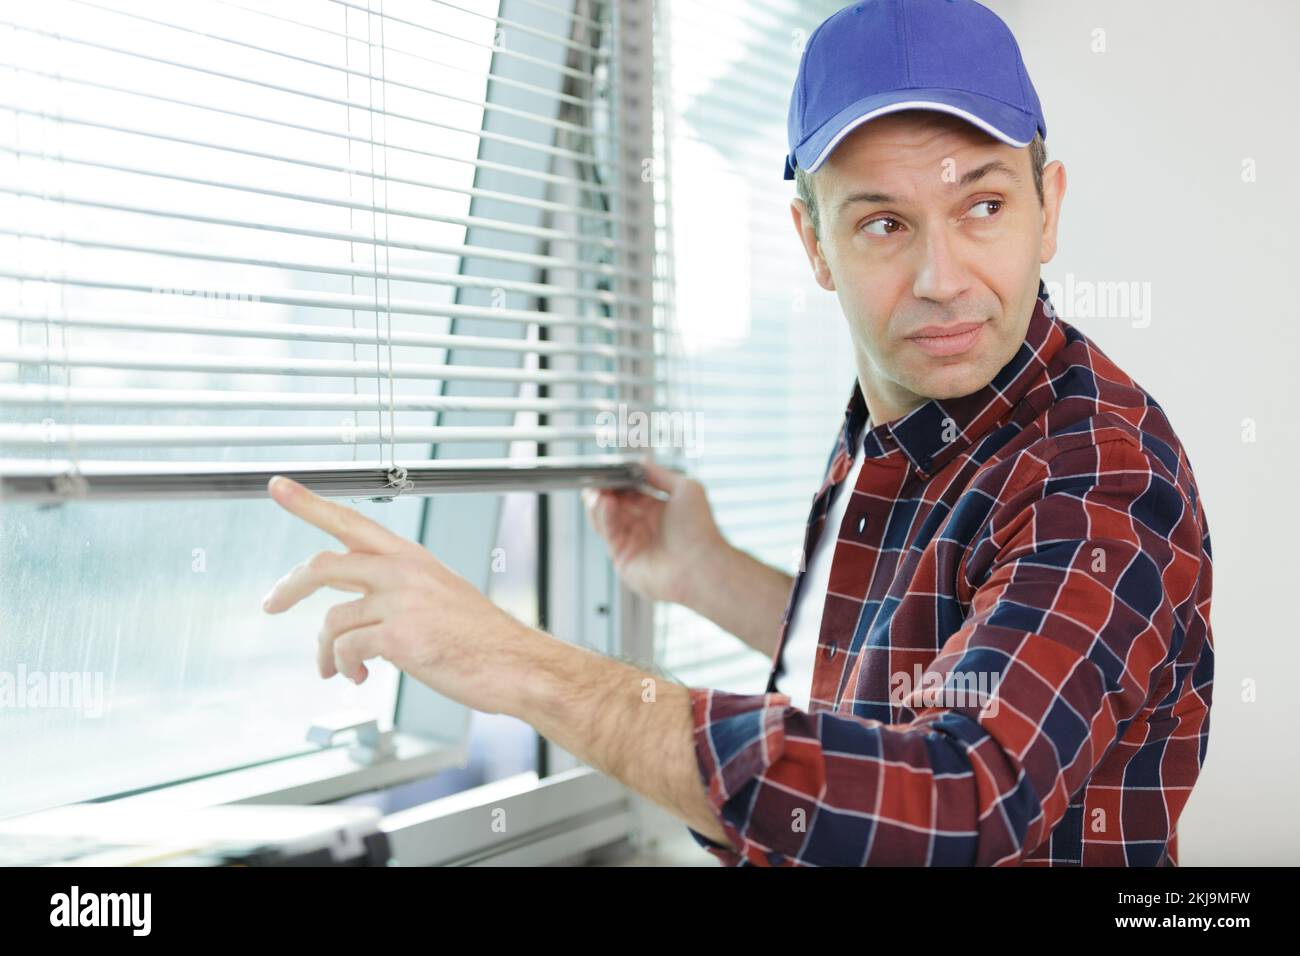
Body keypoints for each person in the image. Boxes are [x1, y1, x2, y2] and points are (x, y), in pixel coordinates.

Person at [262, 0, 1213, 866]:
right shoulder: (916, 414)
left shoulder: (1096, 474)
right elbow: (920, 666)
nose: (942, 276)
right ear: (813, 244)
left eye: (984, 206)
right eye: (884, 223)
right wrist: (704, 573)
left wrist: (511, 662)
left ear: (1048, 207)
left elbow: (956, 799)